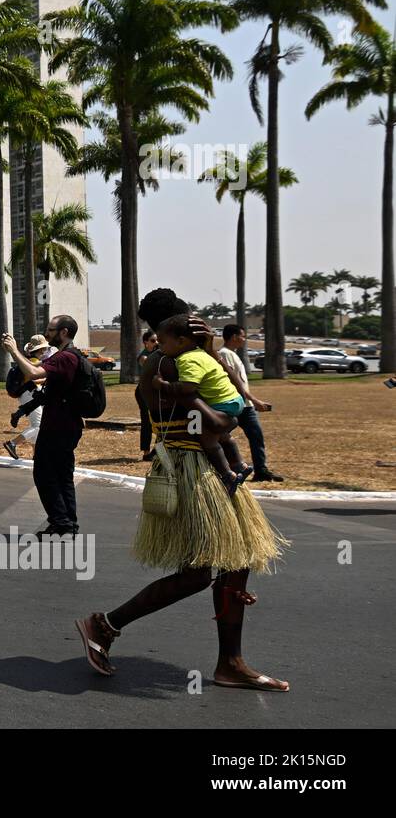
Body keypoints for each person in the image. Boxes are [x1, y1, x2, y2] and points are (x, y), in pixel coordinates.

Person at [74, 287, 289, 691]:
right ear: (181, 324)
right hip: (199, 470)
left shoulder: (163, 359)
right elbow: (219, 424)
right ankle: (105, 625)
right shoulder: (175, 363)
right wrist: (229, 416)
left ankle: (230, 662)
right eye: (194, 321)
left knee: (233, 561)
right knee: (199, 571)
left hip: (198, 466)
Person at [1, 315, 85, 537]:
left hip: (58, 427)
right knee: (62, 475)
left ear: (64, 332)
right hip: (66, 425)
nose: (47, 334)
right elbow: (47, 393)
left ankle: (61, 522)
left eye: (51, 330)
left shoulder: (65, 357)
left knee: (44, 475)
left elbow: (33, 373)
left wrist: (13, 350)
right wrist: (22, 411)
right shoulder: (69, 356)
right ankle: (67, 524)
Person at [151, 315, 250, 494]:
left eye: (162, 342)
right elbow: (240, 392)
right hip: (232, 400)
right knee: (224, 436)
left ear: (181, 341)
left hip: (221, 406)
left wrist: (163, 385)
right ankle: (239, 464)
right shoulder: (202, 354)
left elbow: (188, 388)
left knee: (209, 439)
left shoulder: (185, 360)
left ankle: (228, 474)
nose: (159, 346)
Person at [217, 325, 284, 483]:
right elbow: (235, 383)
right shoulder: (224, 354)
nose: (244, 339)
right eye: (242, 336)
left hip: (245, 405)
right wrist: (255, 400)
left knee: (256, 436)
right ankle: (227, 468)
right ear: (234, 337)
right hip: (236, 405)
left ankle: (260, 470)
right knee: (220, 436)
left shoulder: (232, 354)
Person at [2, 335, 51, 460]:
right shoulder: (34, 362)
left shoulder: (28, 361)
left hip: (27, 395)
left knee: (36, 424)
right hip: (30, 394)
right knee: (38, 425)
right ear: (39, 350)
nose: (45, 352)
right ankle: (12, 443)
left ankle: (36, 454)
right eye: (43, 349)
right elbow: (35, 378)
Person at [138, 330, 158, 460]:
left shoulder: (156, 354)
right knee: (147, 421)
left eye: (157, 340)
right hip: (143, 391)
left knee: (158, 420)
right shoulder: (144, 357)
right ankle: (146, 452)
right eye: (152, 341)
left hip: (154, 391)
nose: (156, 343)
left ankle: (157, 450)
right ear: (146, 343)